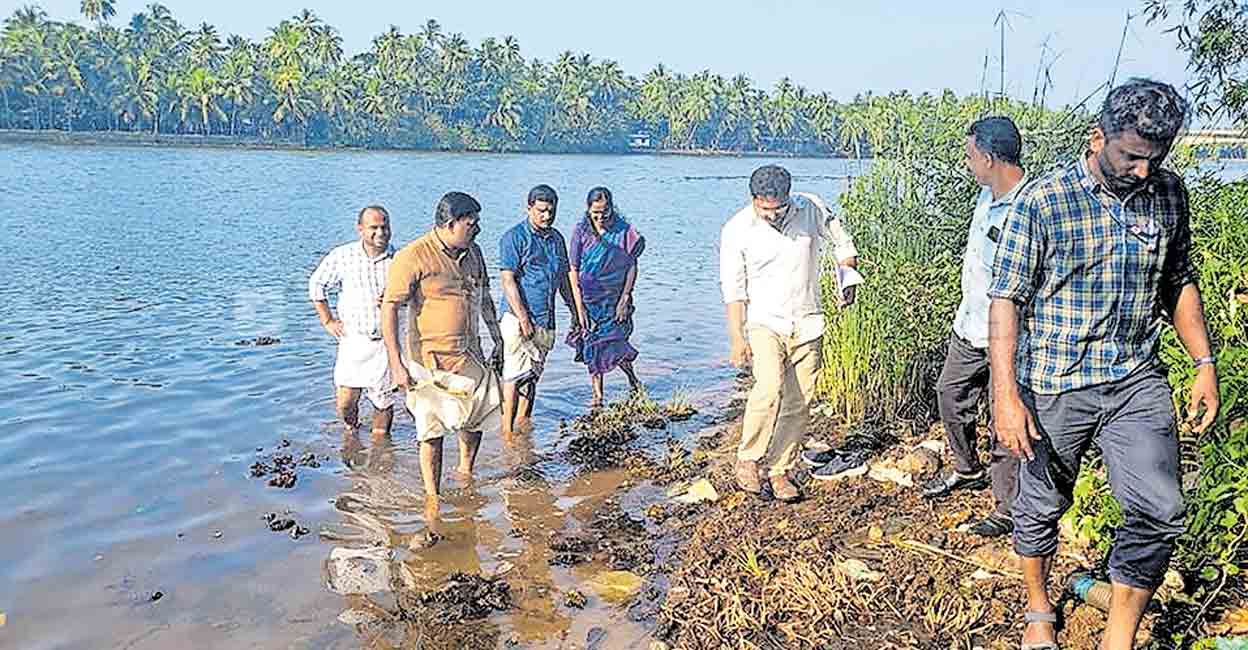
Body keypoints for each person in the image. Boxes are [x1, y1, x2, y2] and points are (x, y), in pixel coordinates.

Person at [988, 79, 1219, 650]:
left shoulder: (1168, 194)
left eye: (1154, 158)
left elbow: (1177, 280)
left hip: (1135, 378)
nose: (1143, 171)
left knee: (1161, 508)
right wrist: (1005, 396)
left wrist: (1204, 362)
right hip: (1055, 382)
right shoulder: (1042, 202)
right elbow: (1006, 301)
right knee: (1039, 505)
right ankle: (1039, 608)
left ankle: (1118, 637)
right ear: (1098, 137)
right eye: (1131, 157)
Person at [719, 165, 858, 503]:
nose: (771, 215)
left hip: (808, 321)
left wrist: (848, 273)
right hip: (764, 322)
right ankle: (748, 459)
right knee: (768, 389)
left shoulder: (810, 208)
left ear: (788, 197)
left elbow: (843, 242)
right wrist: (737, 339)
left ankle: (780, 468)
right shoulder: (737, 229)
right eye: (764, 209)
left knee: (800, 400)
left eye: (778, 208)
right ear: (754, 200)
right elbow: (734, 290)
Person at [920, 117, 1025, 538]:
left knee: (1006, 418)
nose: (967, 164)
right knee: (950, 393)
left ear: (988, 157)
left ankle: (1008, 508)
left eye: (969, 156)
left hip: (1011, 335)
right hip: (970, 325)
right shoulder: (985, 198)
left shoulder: (1028, 205)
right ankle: (967, 468)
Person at [381, 192, 505, 511]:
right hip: (429, 359)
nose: (477, 229)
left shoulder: (473, 252)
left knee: (476, 416)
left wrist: (498, 338)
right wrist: (396, 364)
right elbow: (389, 308)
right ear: (450, 224)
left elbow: (486, 296)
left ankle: (465, 469)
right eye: (471, 224)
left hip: (470, 353)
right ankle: (432, 496)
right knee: (431, 429)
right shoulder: (412, 256)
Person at [308, 205, 396, 449]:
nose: (381, 232)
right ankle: (351, 433)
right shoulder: (343, 256)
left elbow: (416, 295)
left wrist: (395, 297)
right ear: (360, 230)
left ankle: (380, 452)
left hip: (384, 342)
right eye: (374, 227)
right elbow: (316, 285)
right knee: (345, 401)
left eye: (385, 227)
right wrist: (327, 320)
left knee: (383, 402)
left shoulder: (399, 259)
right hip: (353, 340)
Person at [497, 185, 579, 437]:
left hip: (545, 319)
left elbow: (564, 279)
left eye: (551, 211)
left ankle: (523, 427)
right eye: (541, 210)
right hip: (516, 318)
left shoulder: (556, 239)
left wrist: (575, 312)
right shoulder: (514, 237)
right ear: (529, 208)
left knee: (532, 375)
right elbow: (508, 280)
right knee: (512, 376)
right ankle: (507, 433)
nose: (547, 216)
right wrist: (523, 317)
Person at [566, 187, 645, 408]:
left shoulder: (624, 231)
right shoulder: (581, 231)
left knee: (617, 344)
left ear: (612, 208)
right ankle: (598, 396)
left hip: (614, 300)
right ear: (588, 210)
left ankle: (632, 380)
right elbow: (573, 269)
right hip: (589, 301)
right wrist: (578, 306)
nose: (600, 218)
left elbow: (631, 265)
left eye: (605, 212)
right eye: (595, 213)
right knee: (592, 345)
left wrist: (625, 298)